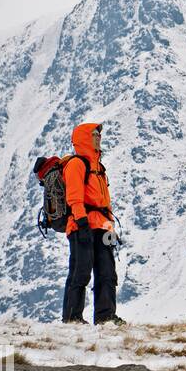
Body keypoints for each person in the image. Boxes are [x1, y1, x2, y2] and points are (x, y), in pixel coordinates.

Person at [61, 122, 125, 325]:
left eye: (99, 134)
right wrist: (81, 223)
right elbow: (74, 198)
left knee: (107, 272)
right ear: (83, 138)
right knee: (80, 272)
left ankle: (106, 317)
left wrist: (110, 227)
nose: (98, 137)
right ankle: (72, 318)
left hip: (102, 225)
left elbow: (104, 202)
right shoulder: (77, 164)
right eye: (94, 134)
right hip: (82, 225)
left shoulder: (99, 167)